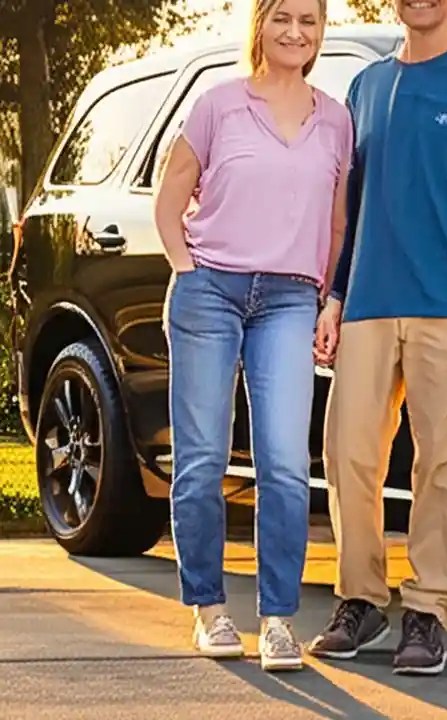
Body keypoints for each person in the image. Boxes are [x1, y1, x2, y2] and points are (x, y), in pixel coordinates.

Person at [306, 0, 447, 675]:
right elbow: (354, 203)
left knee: (446, 465)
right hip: (370, 302)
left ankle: (429, 611)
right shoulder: (366, 88)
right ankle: (361, 600)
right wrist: (337, 295)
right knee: (348, 455)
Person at [153, 0, 351, 672]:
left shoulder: (335, 119)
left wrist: (328, 300)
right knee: (204, 459)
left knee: (286, 466)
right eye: (283, 17)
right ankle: (209, 610)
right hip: (210, 290)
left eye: (309, 20)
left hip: (291, 300)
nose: (296, 31)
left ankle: (276, 621)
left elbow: (337, 223)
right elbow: (170, 195)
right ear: (260, 23)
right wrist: (188, 271)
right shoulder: (218, 106)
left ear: (321, 31)